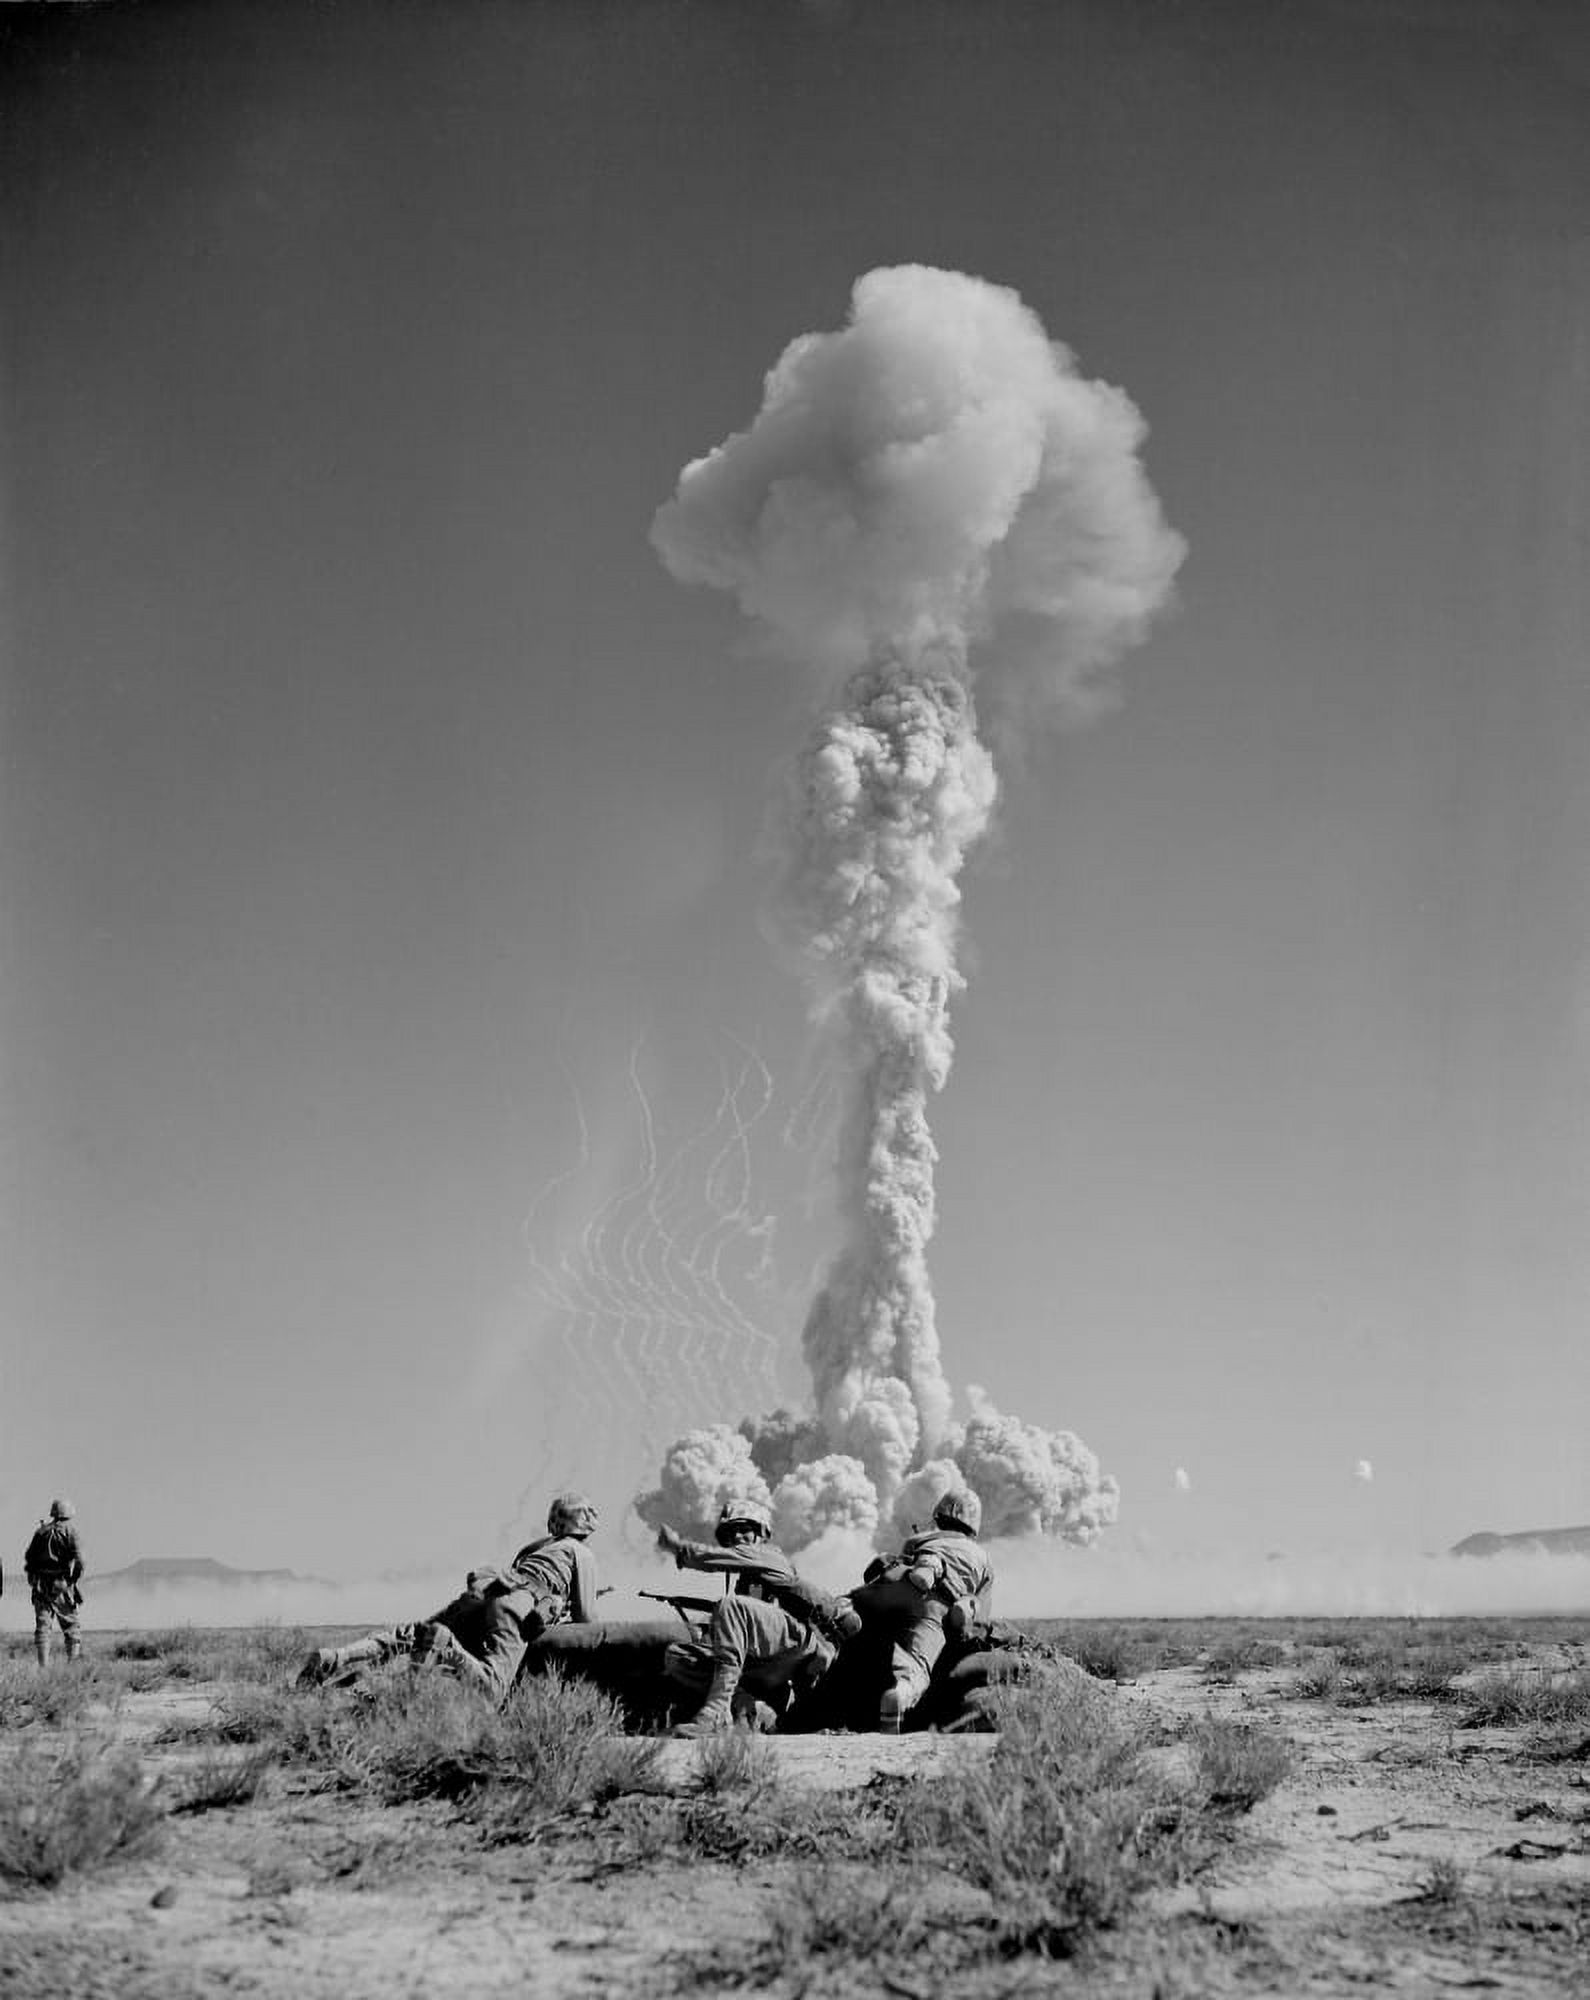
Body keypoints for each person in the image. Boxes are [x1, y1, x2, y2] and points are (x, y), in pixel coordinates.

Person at [298, 1492, 601, 1701]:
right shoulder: (580, 1552)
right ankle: (449, 1648)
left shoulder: (534, 1547)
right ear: (586, 1524)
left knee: (413, 1636)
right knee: (493, 1690)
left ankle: (338, 1659)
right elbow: (587, 1618)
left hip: (488, 1590)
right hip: (516, 1602)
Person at [655, 1496, 855, 1736]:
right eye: (732, 1533)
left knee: (731, 1606)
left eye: (744, 1530)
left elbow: (713, 1562)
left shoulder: (767, 1555)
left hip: (798, 1644)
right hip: (767, 1657)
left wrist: (678, 1547)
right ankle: (749, 1708)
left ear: (761, 1533)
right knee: (678, 1656)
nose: (737, 1537)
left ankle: (717, 1713)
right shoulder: (746, 1581)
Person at [847, 1487, 993, 1733]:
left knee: (846, 1614)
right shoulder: (982, 1558)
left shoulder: (917, 1540)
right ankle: (899, 1695)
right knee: (917, 1668)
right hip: (933, 1604)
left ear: (939, 1514)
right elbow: (979, 1617)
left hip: (890, 1584)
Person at [25, 1497, 85, 1668]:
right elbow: (80, 1561)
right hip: (61, 1584)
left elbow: (30, 1559)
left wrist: (33, 1578)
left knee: (43, 1626)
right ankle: (72, 1667)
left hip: (40, 1584)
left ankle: (43, 1667)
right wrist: (72, 1580)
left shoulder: (41, 1532)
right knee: (71, 1625)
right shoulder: (70, 1532)